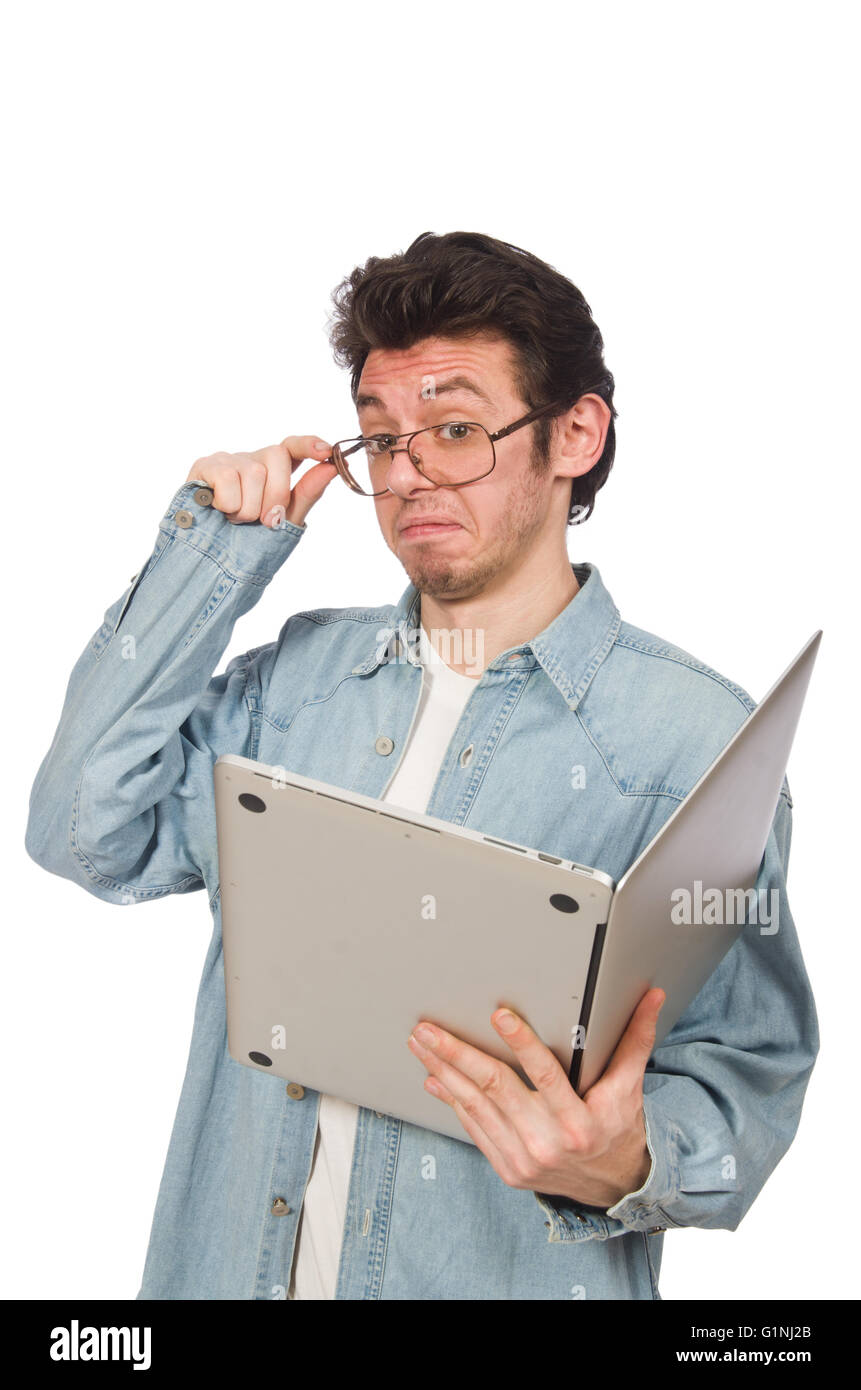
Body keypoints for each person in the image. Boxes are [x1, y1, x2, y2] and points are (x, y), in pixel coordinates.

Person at [25, 230, 818, 1301]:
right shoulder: (295, 682)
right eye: (382, 441)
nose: (409, 477)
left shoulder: (696, 739)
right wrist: (207, 558)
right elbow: (82, 828)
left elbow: (749, 1077)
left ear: (576, 433)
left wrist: (625, 1156)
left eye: (454, 430)